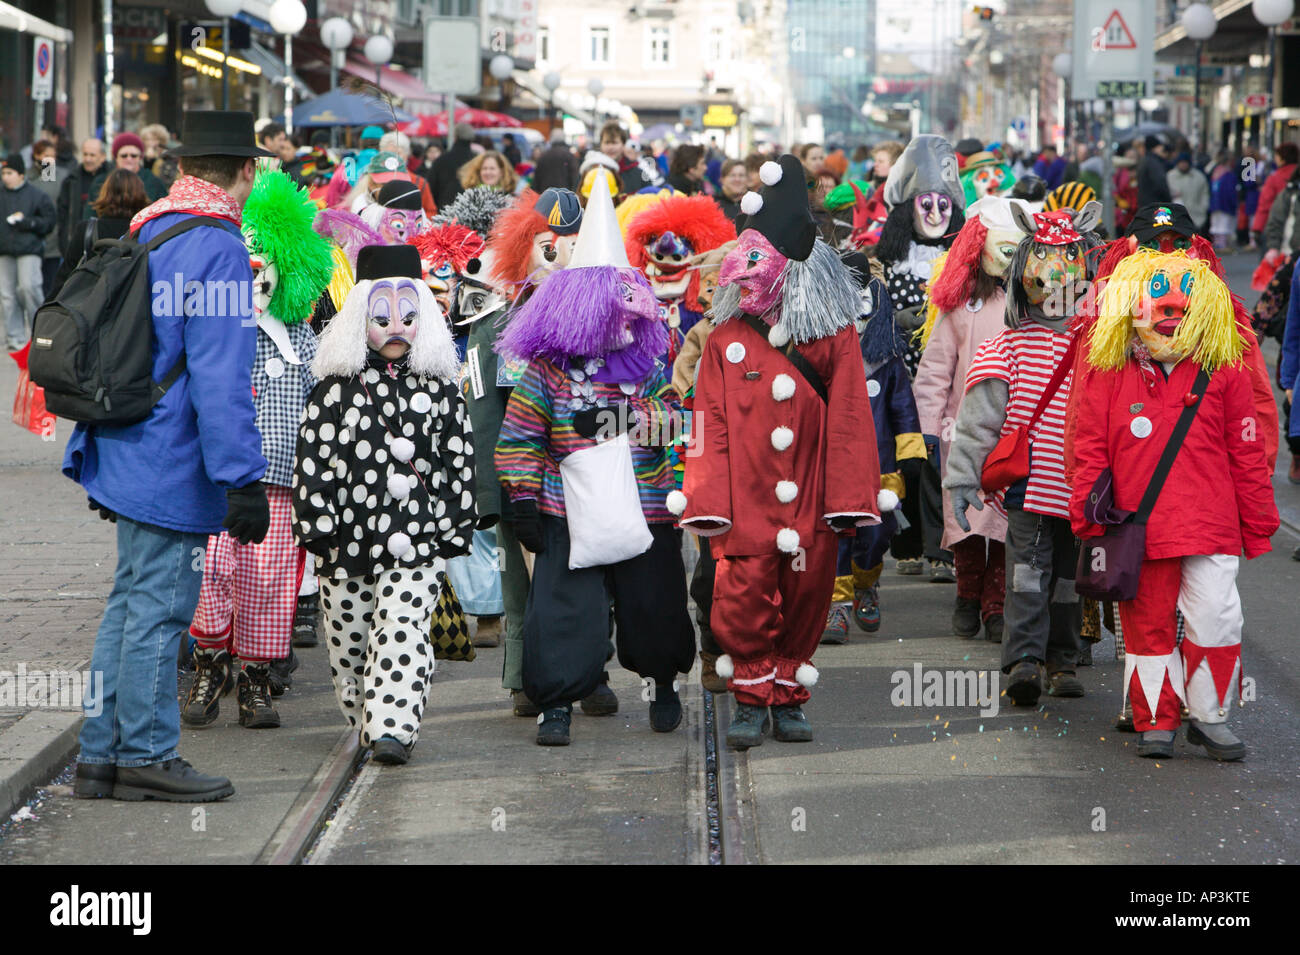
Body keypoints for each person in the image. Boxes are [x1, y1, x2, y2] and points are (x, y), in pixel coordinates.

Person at [66, 110, 274, 802]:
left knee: (127, 604)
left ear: (186, 165)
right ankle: (149, 753)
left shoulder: (151, 225)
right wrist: (242, 477)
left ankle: (101, 754)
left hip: (123, 438)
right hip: (169, 456)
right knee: (159, 610)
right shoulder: (216, 246)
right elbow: (220, 376)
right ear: (246, 171)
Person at [676, 154, 881, 748]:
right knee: (739, 597)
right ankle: (748, 692)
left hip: (811, 497)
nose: (739, 273)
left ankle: (788, 692)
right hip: (745, 500)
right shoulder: (724, 339)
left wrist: (848, 496)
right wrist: (707, 496)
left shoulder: (832, 334)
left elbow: (848, 418)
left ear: (789, 267)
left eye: (756, 259)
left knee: (807, 591)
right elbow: (706, 423)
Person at [494, 175, 695, 745]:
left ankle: (662, 682)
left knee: (653, 604)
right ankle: (555, 702)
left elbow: (682, 422)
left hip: (647, 503)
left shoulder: (652, 360)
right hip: (567, 506)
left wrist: (619, 422)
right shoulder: (548, 367)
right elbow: (520, 432)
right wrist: (524, 498)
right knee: (562, 611)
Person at [1072, 251, 1278, 760]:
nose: (1169, 315)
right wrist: (1089, 515)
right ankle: (1155, 720)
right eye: (1158, 304)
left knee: (1218, 618)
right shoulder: (1107, 368)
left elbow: (1245, 451)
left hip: (1210, 522)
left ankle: (1209, 717)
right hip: (1138, 525)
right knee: (1147, 628)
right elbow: (1087, 445)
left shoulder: (1223, 368)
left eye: (1182, 307)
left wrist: (1257, 523)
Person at [294, 243, 476, 765]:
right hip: (345, 539)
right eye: (382, 317)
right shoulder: (334, 388)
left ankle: (392, 728)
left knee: (402, 629)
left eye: (407, 316)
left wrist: (454, 523)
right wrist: (317, 524)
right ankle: (362, 717)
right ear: (359, 320)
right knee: (349, 642)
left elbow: (459, 458)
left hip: (416, 538)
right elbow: (314, 458)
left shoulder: (442, 388)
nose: (396, 327)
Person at [184, 168, 334, 729]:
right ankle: (208, 662)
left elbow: (322, 406)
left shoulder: (301, 338)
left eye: (263, 272)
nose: (255, 283)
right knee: (211, 573)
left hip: (279, 483)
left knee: (268, 584)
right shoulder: (213, 329)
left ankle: (254, 679)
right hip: (215, 480)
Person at [945, 204, 1101, 706]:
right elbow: (978, 420)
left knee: (1067, 581)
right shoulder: (1008, 345)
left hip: (1083, 489)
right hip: (1030, 487)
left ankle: (1062, 658)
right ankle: (1025, 660)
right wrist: (961, 478)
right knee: (1028, 575)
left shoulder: (1101, 343)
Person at [912, 196, 1027, 644]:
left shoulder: (1033, 308)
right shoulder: (960, 305)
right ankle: (966, 592)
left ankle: (995, 603)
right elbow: (936, 367)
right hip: (959, 429)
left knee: (1002, 520)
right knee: (964, 517)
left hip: (1015, 431)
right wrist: (926, 427)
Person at [47, 168, 147, 300]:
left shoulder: (87, 229)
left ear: (105, 194)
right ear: (140, 196)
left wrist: (47, 309)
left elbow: (65, 275)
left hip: (92, 309)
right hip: (132, 307)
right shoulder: (146, 231)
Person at [1, 154, 55, 350]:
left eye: (10, 173)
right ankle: (14, 336)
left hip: (29, 249)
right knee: (7, 295)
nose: (6, 177)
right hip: (5, 250)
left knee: (29, 288)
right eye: (3, 173)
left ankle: (39, 331)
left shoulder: (37, 195)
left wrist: (28, 222)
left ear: (21, 174)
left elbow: (49, 221)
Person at [86, 133, 166, 217]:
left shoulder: (153, 182)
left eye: (133, 156)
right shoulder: (101, 181)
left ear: (140, 157)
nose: (129, 159)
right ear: (116, 157)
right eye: (124, 156)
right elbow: (90, 214)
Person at [26, 140, 64, 298]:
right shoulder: (27, 176)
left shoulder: (59, 176)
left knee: (50, 283)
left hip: (54, 240)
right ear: (36, 155)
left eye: (52, 156)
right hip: (32, 238)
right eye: (46, 155)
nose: (50, 159)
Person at [56, 138, 107, 253]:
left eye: (92, 155)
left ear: (103, 157)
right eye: (85, 154)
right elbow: (62, 213)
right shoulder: (71, 180)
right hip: (77, 242)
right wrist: (64, 240)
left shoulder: (112, 178)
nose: (88, 159)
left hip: (104, 242)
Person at [1251, 141, 1298, 242]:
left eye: (1277, 156)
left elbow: (1265, 205)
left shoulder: (1275, 178)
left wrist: (1257, 228)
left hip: (1276, 227)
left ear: (1283, 158)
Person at [1167, 152, 1210, 233]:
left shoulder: (1199, 177)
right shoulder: (1170, 176)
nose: (1183, 165)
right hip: (1174, 218)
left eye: (1185, 162)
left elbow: (1205, 194)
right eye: (1181, 162)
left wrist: (1203, 208)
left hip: (1196, 217)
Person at [528, 128, 578, 194]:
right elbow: (574, 177)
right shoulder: (569, 156)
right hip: (564, 195)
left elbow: (537, 179)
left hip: (546, 195)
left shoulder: (544, 156)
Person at [1209, 150, 1239, 250]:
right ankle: (1224, 245)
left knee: (1216, 225)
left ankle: (1217, 244)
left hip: (1215, 203)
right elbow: (1230, 191)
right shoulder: (1228, 174)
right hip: (1225, 204)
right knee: (1224, 225)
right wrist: (1234, 203)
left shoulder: (1215, 172)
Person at [1137, 135, 1173, 208]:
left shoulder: (1145, 160)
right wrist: (1168, 199)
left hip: (1145, 203)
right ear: (1155, 147)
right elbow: (1160, 183)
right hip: (1155, 204)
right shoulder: (1153, 162)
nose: (1162, 149)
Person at [714, 158, 748, 222]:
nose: (737, 179)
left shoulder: (753, 206)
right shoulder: (713, 204)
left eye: (741, 175)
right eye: (732, 175)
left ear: (747, 179)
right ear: (722, 179)